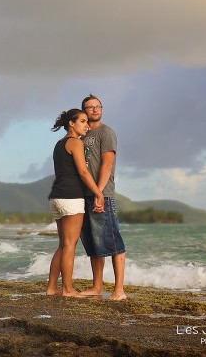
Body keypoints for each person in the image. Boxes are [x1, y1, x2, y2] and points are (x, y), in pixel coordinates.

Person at [46, 109, 104, 297]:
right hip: (71, 198)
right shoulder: (75, 143)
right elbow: (83, 172)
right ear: (71, 123)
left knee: (63, 244)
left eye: (87, 122)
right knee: (70, 245)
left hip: (56, 197)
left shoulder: (59, 143)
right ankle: (68, 289)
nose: (86, 125)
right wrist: (98, 193)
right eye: (82, 121)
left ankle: (51, 288)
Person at [79, 94, 127, 300]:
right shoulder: (81, 137)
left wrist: (99, 193)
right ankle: (96, 287)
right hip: (85, 195)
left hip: (103, 195)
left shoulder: (106, 133)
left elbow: (107, 165)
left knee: (113, 241)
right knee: (93, 244)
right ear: (84, 111)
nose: (95, 110)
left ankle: (119, 290)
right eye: (90, 107)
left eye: (98, 106)